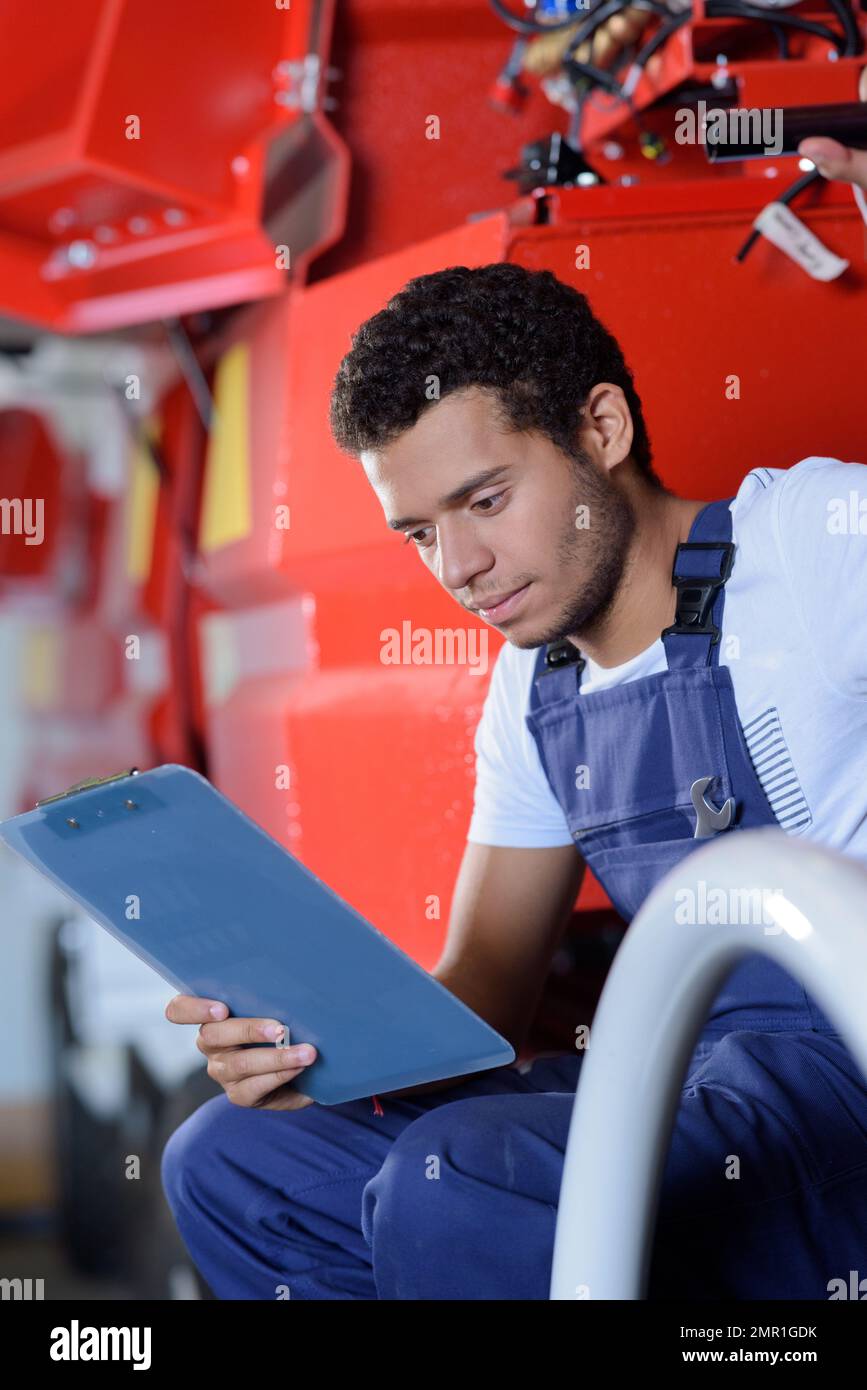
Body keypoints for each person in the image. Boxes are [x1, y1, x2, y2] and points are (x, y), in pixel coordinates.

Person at [159, 137, 867, 1300]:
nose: (462, 566)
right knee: (239, 1162)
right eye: (421, 532)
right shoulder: (541, 681)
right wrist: (312, 1039)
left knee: (460, 1175)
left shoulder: (808, 549)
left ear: (602, 428)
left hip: (840, 1111)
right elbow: (486, 983)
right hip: (693, 1090)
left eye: (485, 501)